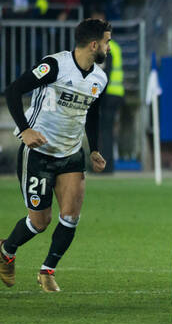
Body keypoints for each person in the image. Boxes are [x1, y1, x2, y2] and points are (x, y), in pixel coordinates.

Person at [0, 18, 111, 292]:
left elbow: (93, 110)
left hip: (71, 153)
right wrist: (25, 130)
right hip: (38, 152)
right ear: (94, 44)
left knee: (71, 215)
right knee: (40, 222)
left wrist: (94, 147)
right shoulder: (55, 66)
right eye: (107, 42)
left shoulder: (100, 77)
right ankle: (6, 251)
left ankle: (47, 271)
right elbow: (13, 90)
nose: (109, 47)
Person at [98, 35, 125, 174]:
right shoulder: (115, 46)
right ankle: (108, 165)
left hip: (108, 94)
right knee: (108, 131)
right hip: (117, 93)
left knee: (105, 131)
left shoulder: (106, 48)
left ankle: (105, 166)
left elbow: (105, 73)